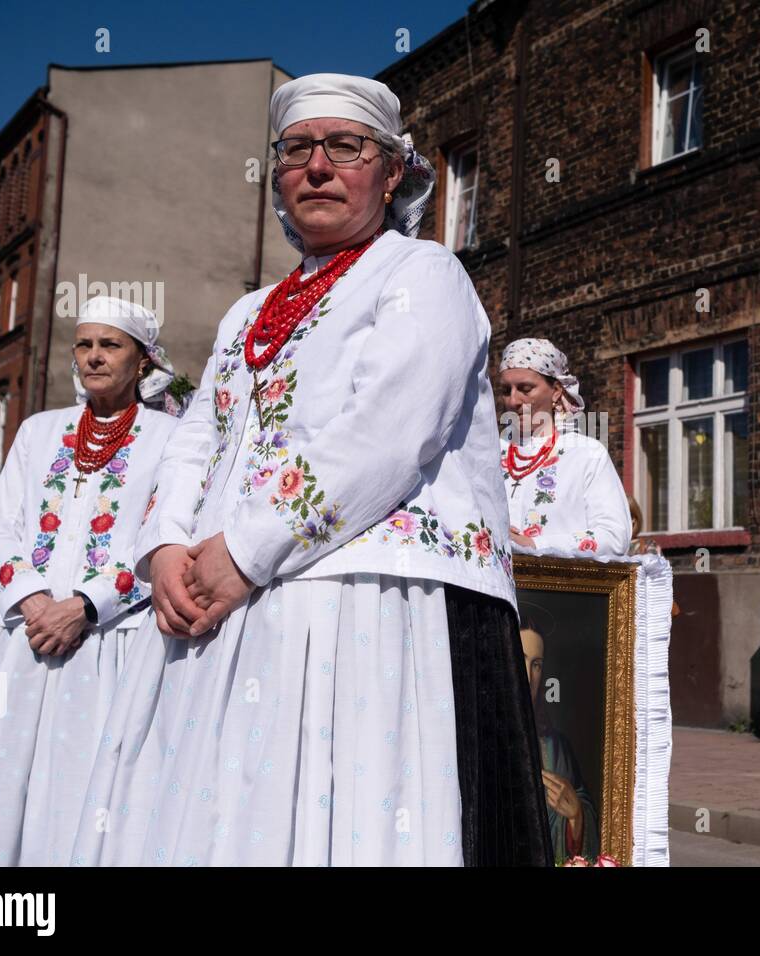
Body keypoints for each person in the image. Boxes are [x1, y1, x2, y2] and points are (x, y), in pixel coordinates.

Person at [70, 74, 552, 867]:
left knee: (344, 819)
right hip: (224, 607)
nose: (318, 167)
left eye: (346, 147)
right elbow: (197, 437)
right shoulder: (246, 311)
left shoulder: (422, 275)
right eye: (297, 149)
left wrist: (246, 549)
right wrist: (164, 547)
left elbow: (391, 430)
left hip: (368, 600)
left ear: (393, 172)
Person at [0, 296, 179, 865]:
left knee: (80, 780)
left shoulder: (169, 438)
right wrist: (34, 601)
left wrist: (86, 604)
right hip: (13, 634)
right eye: (85, 344)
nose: (95, 357)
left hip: (109, 639)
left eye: (111, 345)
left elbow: (164, 536)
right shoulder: (39, 430)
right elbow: (1, 528)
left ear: (142, 361)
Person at [499, 338, 631, 556]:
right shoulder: (490, 452)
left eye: (525, 388)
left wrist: (533, 544)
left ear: (557, 391)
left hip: (558, 588)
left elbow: (615, 537)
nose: (513, 400)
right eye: (506, 390)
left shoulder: (586, 454)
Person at [518, 604, 599, 861]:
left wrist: (576, 816)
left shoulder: (555, 747)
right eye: (519, 658)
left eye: (537, 665)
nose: (529, 676)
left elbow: (579, 811)